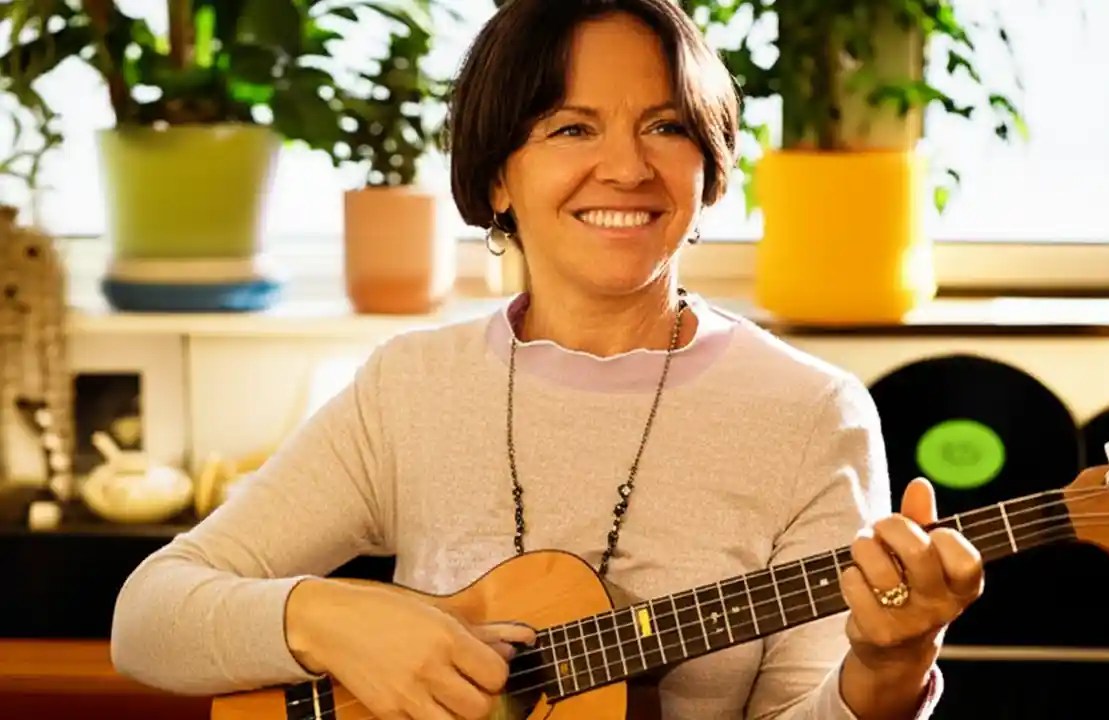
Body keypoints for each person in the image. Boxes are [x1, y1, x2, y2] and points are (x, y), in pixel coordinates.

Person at [109, 1, 984, 718]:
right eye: (571, 128)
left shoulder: (810, 413)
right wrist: (334, 618)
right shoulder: (411, 386)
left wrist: (887, 672)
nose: (626, 167)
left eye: (666, 127)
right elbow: (149, 620)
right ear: (498, 178)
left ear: (709, 172)